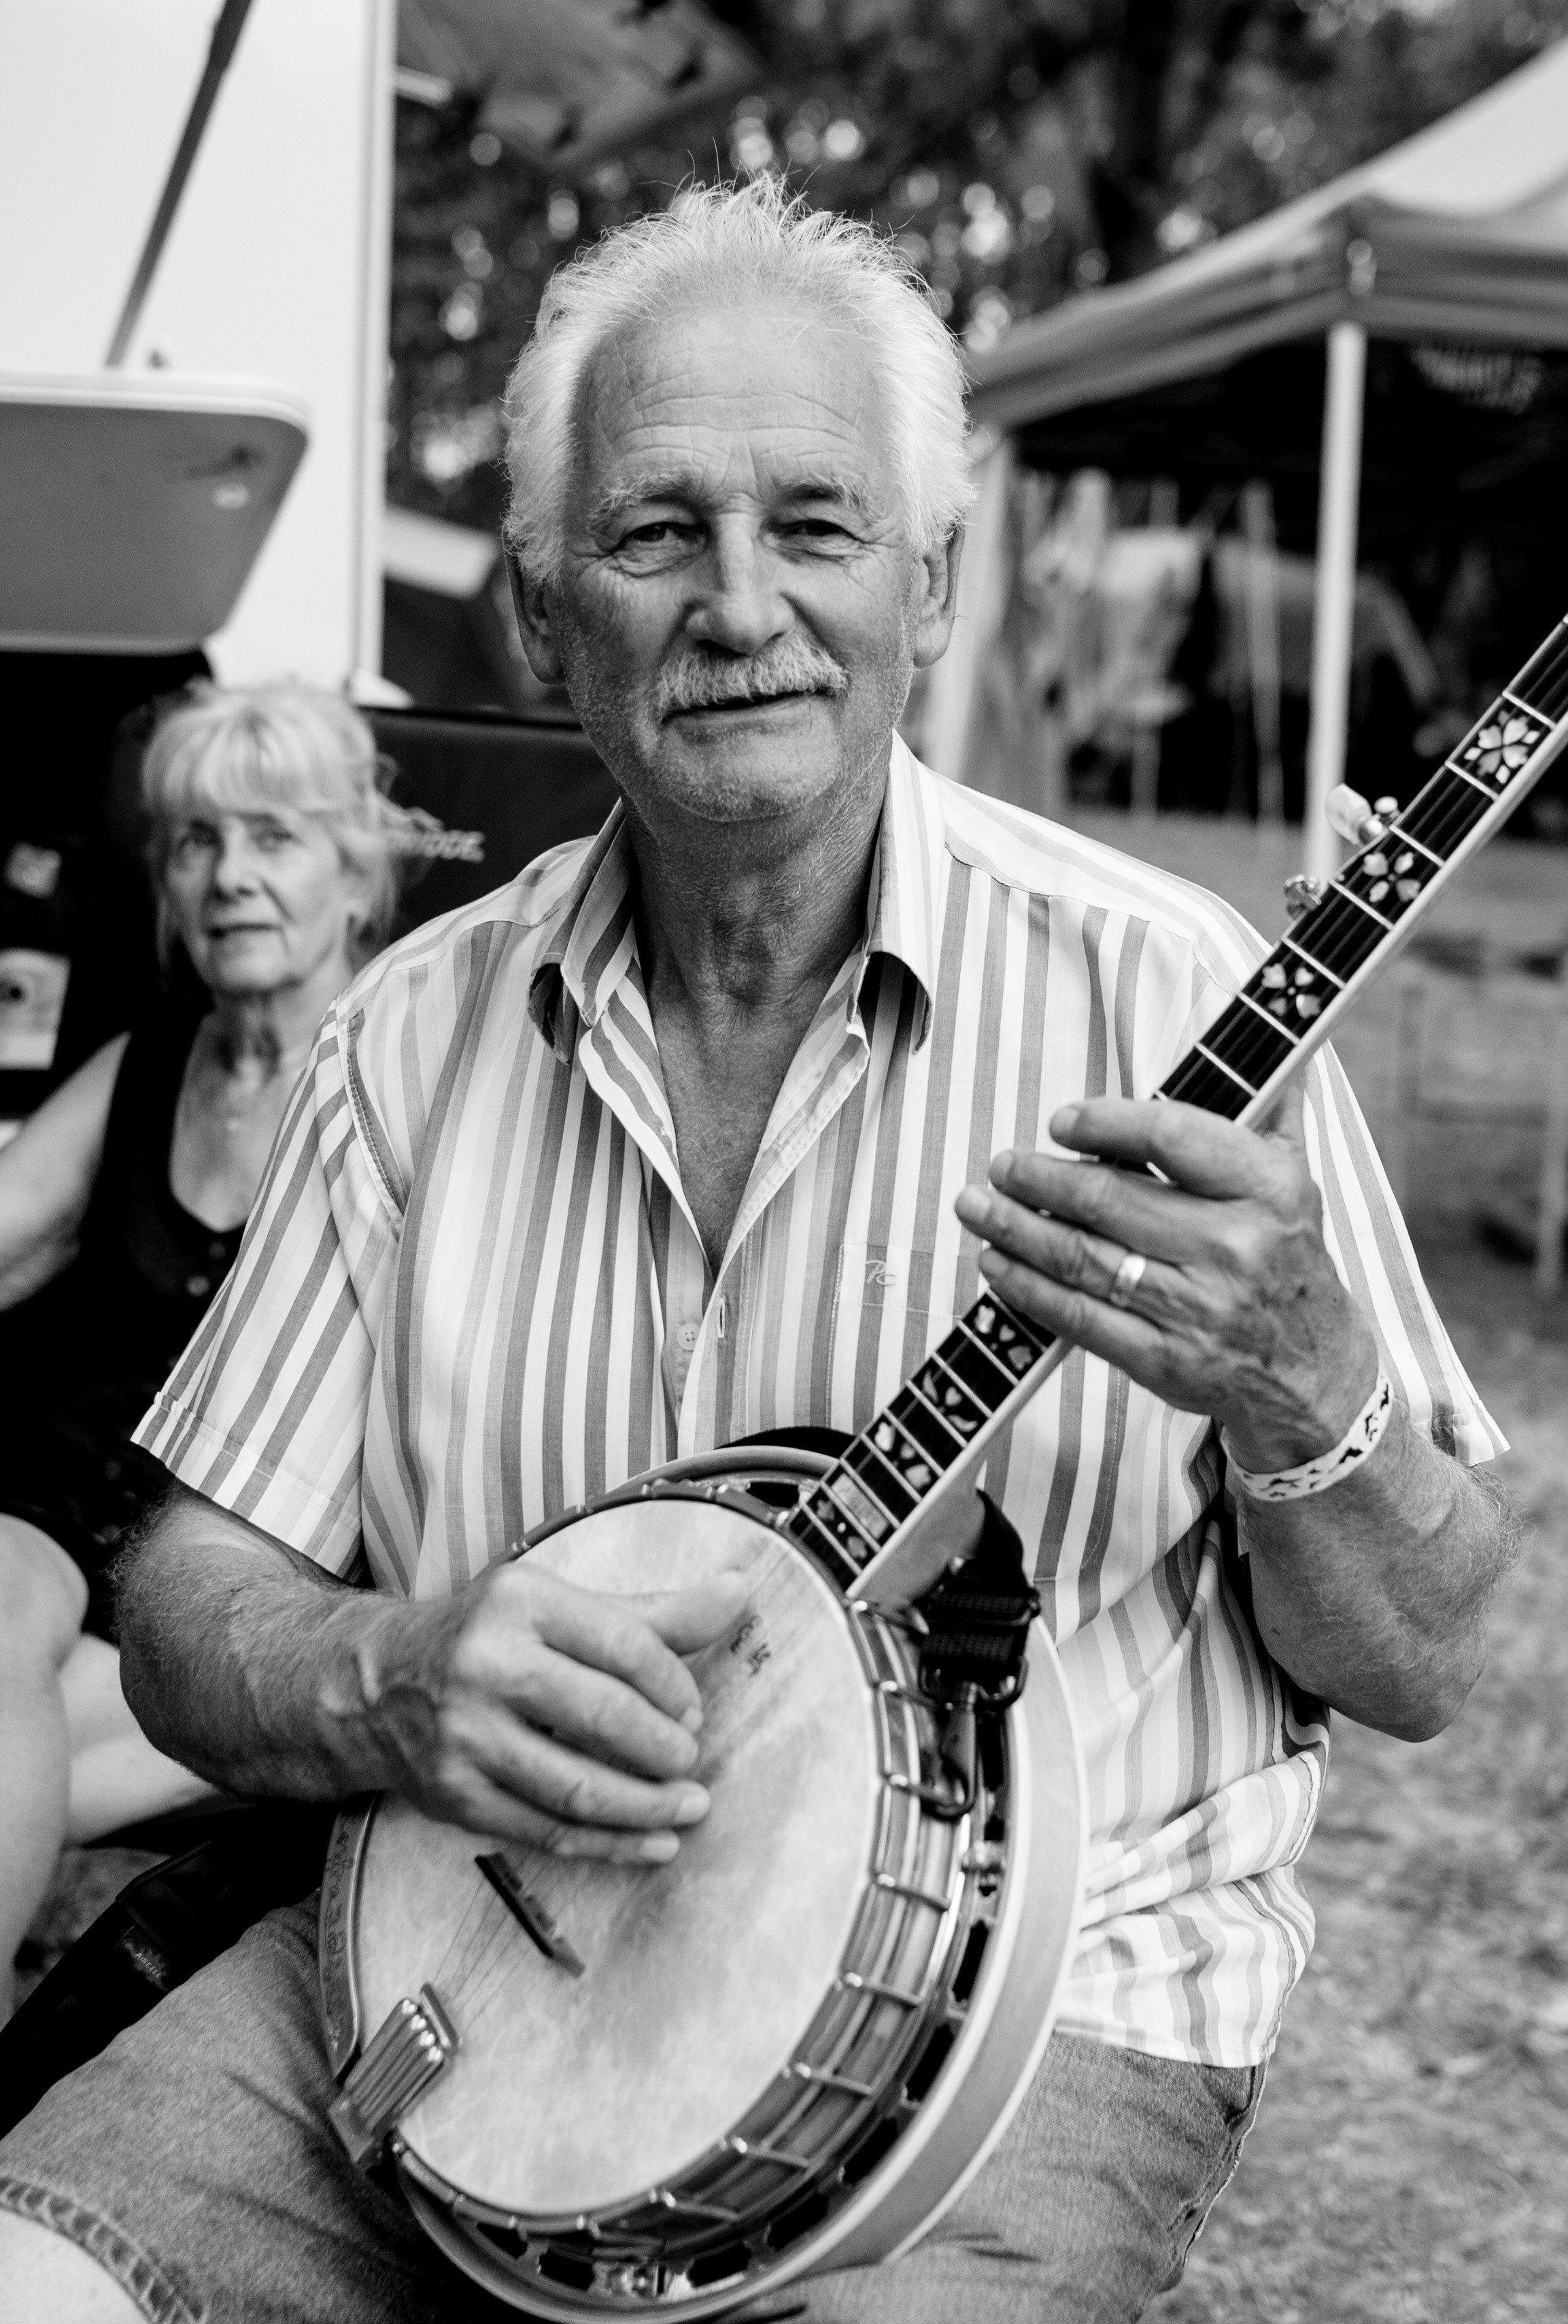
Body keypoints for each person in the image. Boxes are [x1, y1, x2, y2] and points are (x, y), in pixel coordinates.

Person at [0, 184, 1518, 2323]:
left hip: (1014, 2024)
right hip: (463, 1939)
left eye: (813, 523)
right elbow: (181, 1604)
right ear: (540, 620)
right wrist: (393, 1670)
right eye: (652, 536)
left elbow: (1433, 1657)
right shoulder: (410, 1028)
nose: (740, 608)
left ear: (932, 578)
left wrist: (1296, 1381)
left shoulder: (1158, 995)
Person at [0, 679, 398, 2015]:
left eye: (274, 837)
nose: (232, 876)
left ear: (355, 871)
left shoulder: (409, 1073)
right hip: (56, 1517)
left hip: (235, 1557)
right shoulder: (148, 1056)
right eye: (196, 841)